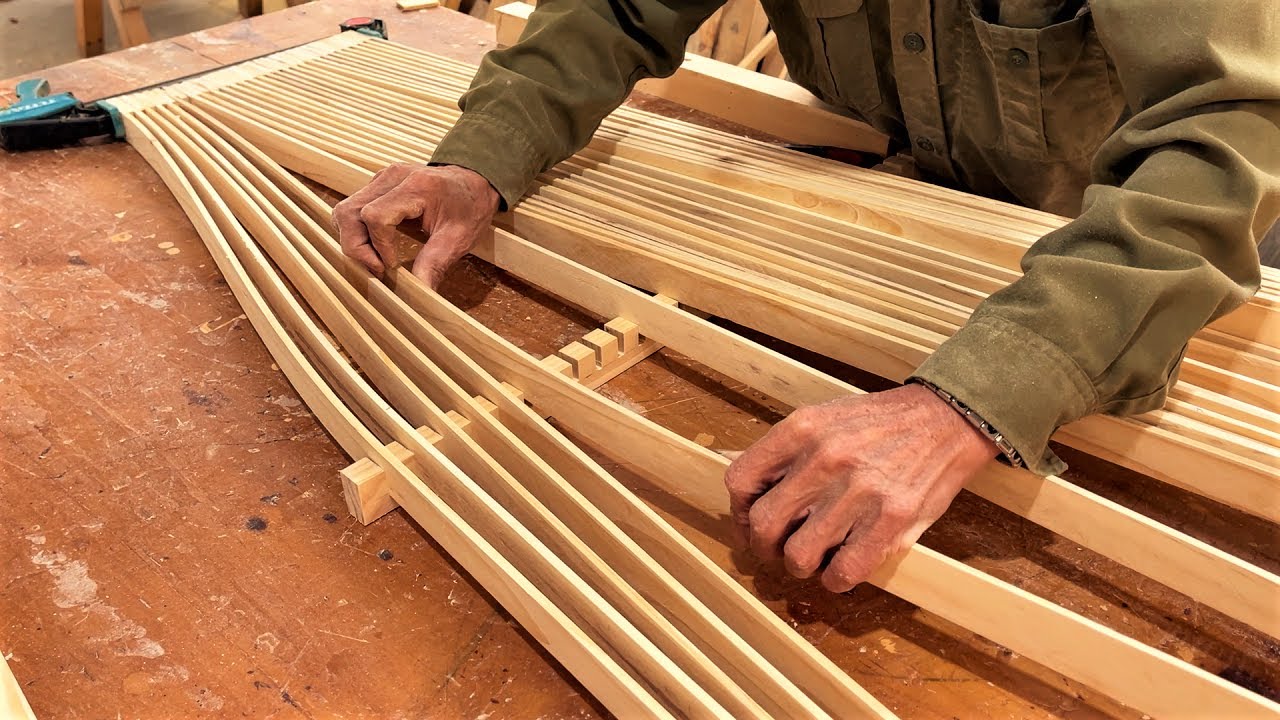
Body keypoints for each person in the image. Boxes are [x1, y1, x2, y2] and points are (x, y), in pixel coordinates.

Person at [331, 0, 1279, 593]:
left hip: (1130, 247)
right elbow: (616, 9)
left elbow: (1227, 124)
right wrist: (482, 156)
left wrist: (986, 393)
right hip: (889, 205)